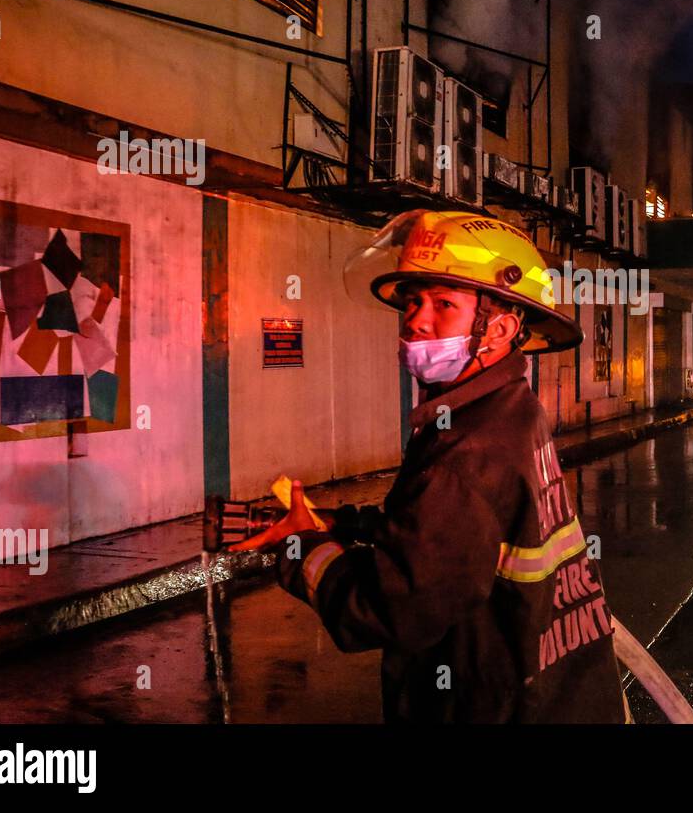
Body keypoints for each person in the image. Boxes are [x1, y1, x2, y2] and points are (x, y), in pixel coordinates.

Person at [232, 210, 626, 723]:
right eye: (414, 301)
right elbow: (454, 534)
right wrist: (345, 525)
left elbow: (387, 612)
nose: (416, 319)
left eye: (444, 304)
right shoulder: (511, 407)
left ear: (500, 328)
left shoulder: (468, 448)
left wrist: (300, 544)